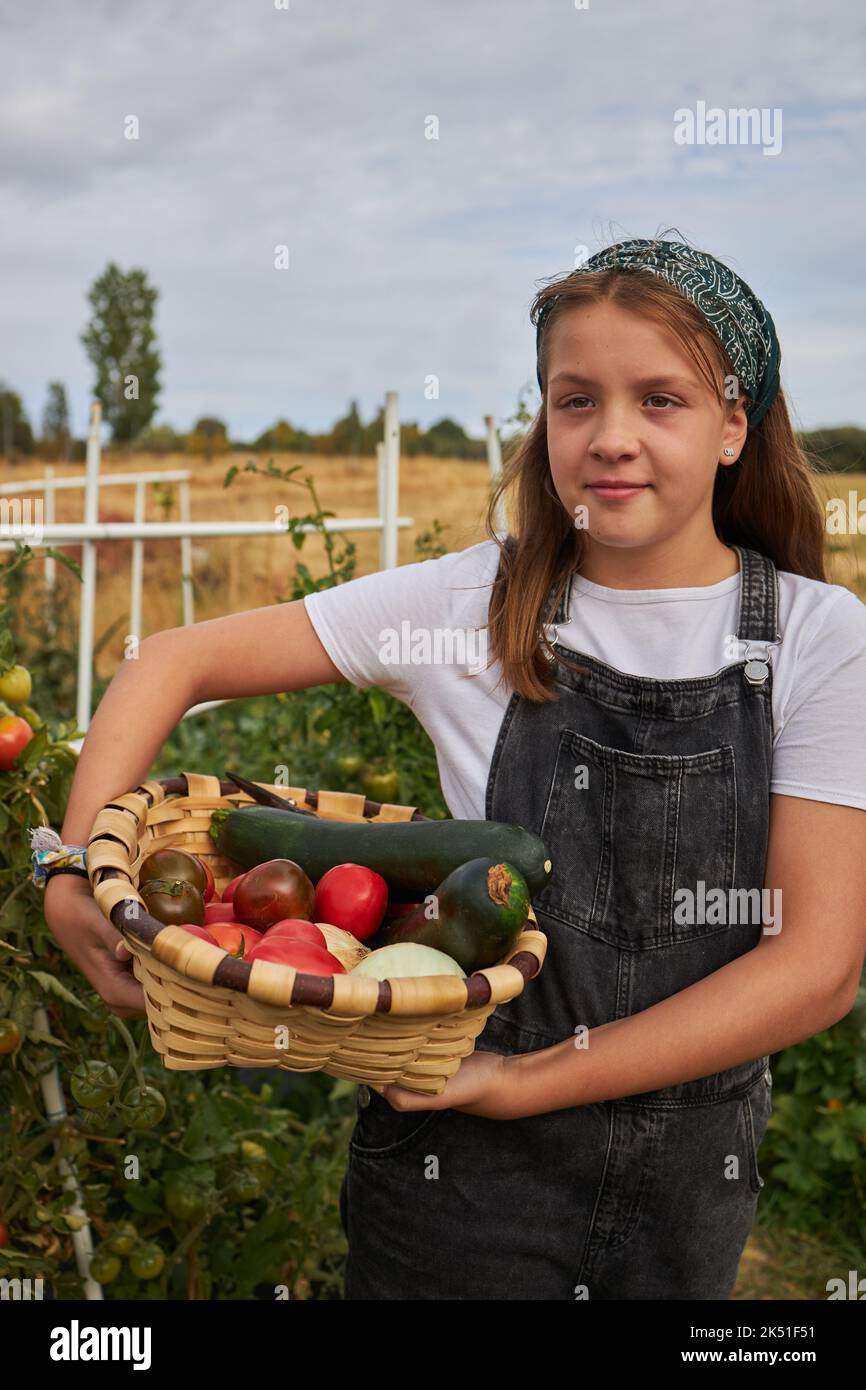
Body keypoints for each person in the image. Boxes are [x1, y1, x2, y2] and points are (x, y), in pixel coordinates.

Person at [43, 236, 866, 1301]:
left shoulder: (813, 637)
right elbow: (171, 659)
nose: (610, 438)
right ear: (543, 419)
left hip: (685, 1184)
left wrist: (527, 1080)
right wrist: (68, 864)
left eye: (658, 400)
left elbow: (814, 965)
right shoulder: (469, 605)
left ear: (731, 423)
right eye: (575, 400)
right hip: (459, 1178)